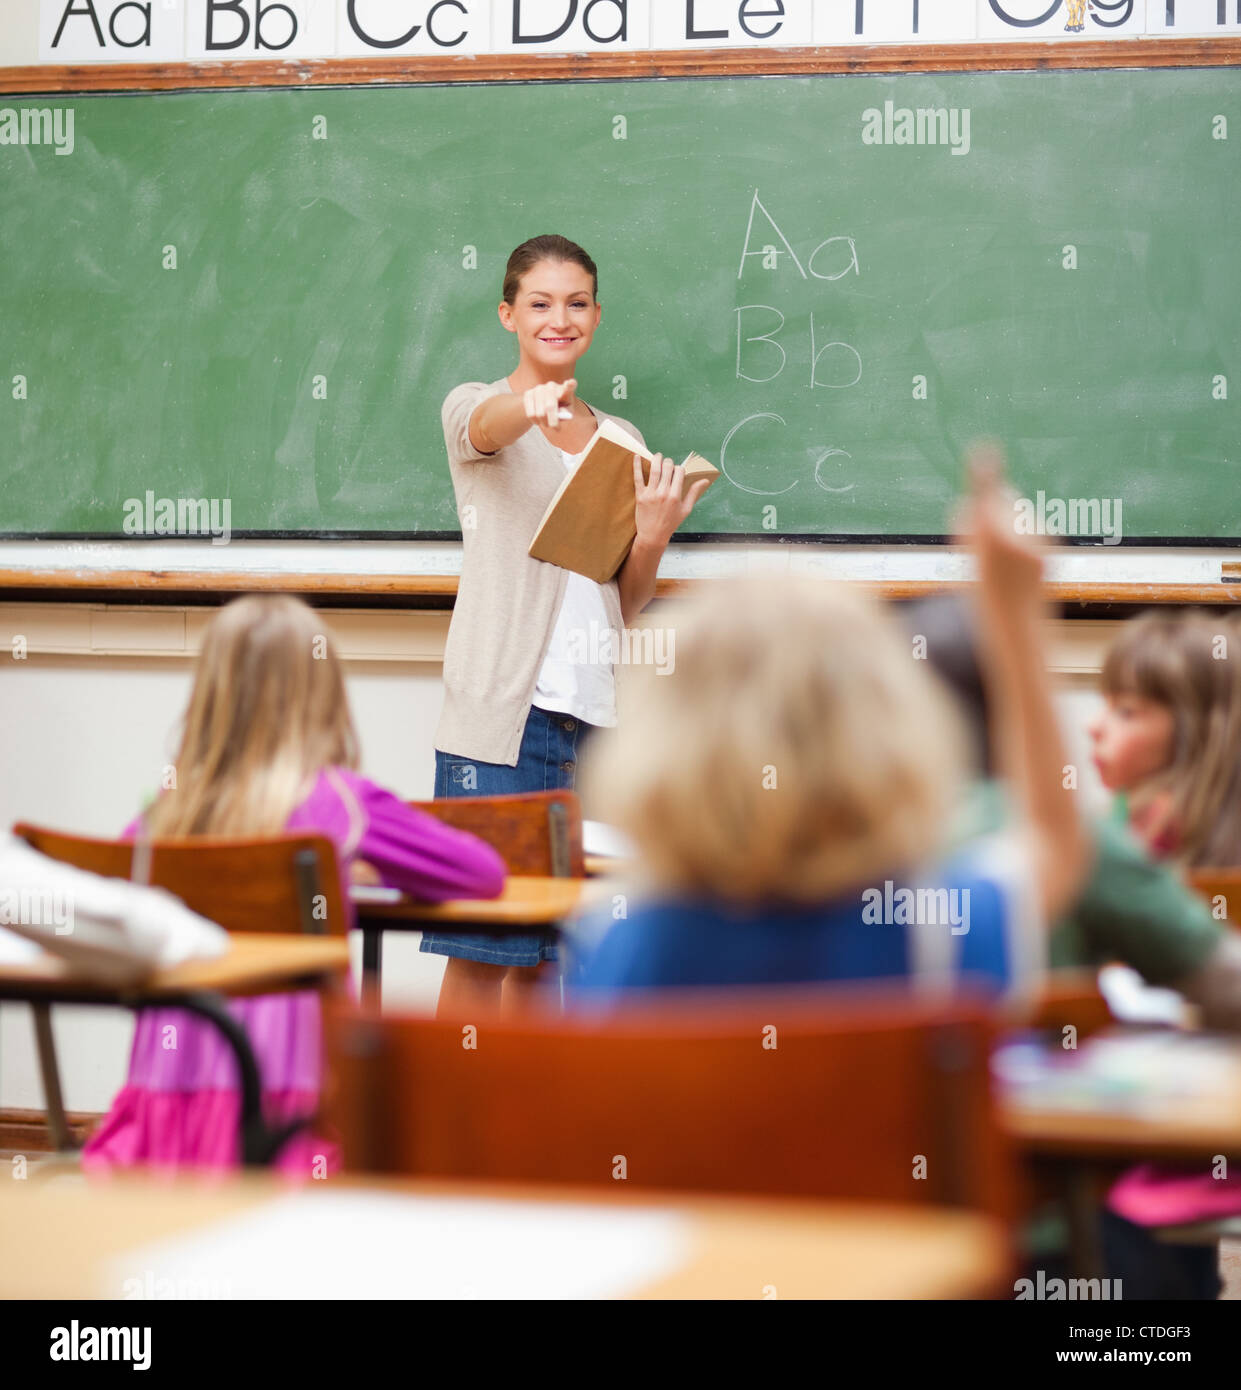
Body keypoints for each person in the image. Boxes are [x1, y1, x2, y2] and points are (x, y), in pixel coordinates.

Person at [568, 453, 1089, 1000]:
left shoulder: (628, 945)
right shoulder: (940, 931)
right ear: (888, 726)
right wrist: (1012, 613)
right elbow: (1055, 843)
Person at [83, 595, 506, 1175]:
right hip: (296, 1114)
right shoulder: (343, 806)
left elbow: (108, 885)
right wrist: (356, 865)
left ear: (209, 697)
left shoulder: (166, 815)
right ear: (324, 697)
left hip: (165, 1111)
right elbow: (482, 873)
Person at [426, 234, 710, 1015]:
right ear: (508, 315)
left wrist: (653, 534)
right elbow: (484, 426)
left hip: (592, 721)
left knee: (552, 959)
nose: (560, 318)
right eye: (540, 303)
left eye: (577, 303)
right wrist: (532, 405)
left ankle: (529, 1098)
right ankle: (452, 1098)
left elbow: (621, 602)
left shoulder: (619, 440)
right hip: (501, 723)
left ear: (596, 315)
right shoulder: (476, 405)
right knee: (482, 948)